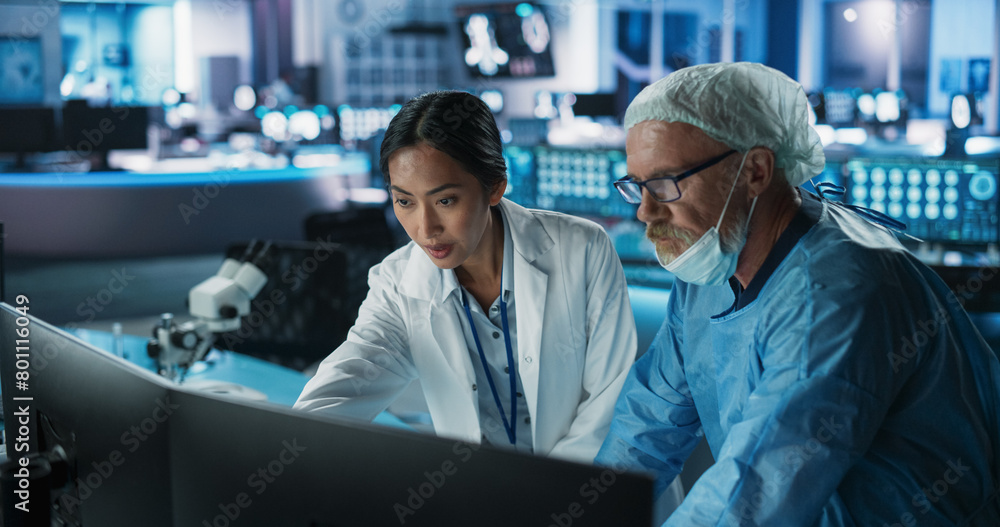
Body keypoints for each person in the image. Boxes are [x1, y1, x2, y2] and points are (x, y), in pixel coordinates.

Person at [596, 62, 1000, 525]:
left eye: (665, 185)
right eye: (636, 186)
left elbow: (756, 491)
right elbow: (646, 428)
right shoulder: (710, 266)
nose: (646, 212)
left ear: (755, 171)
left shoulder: (838, 292)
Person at [295, 90, 637, 463]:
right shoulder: (397, 282)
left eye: (445, 201)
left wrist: (551, 499)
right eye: (405, 202)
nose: (426, 228)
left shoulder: (583, 249)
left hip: (592, 495)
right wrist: (276, 447)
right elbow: (351, 378)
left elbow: (608, 405)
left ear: (494, 186)